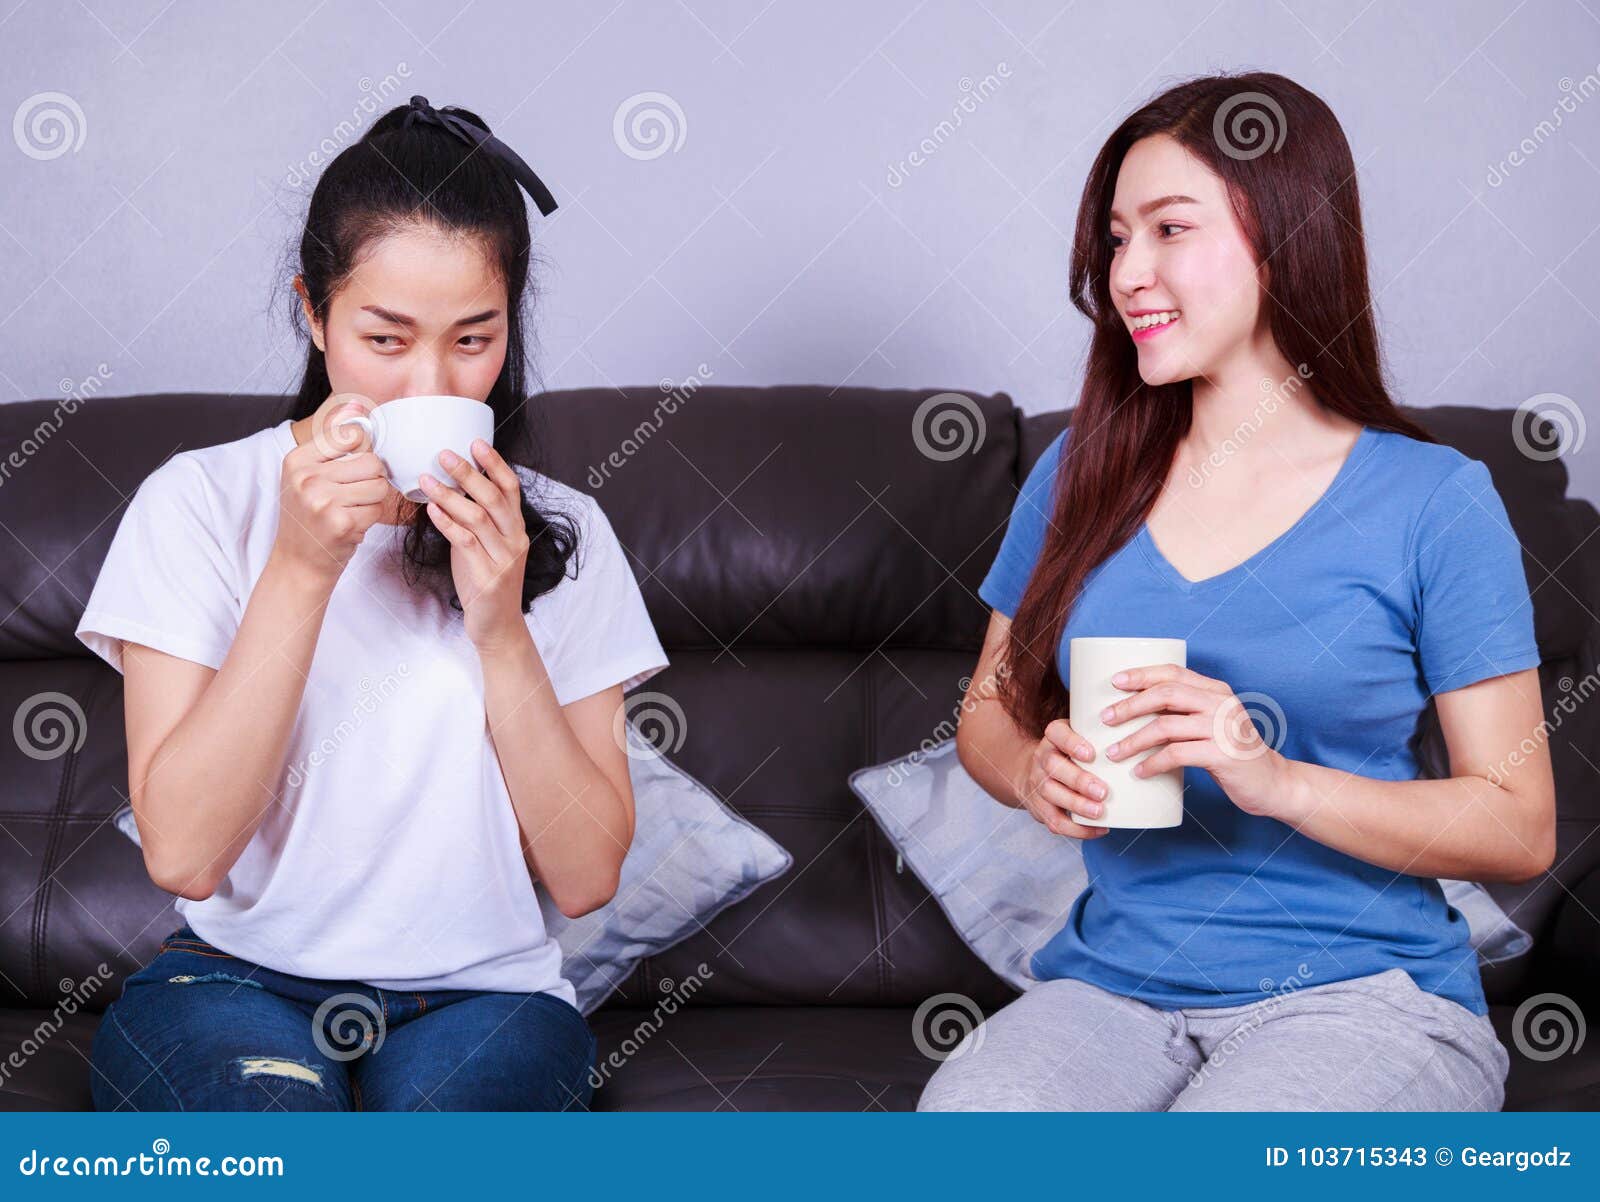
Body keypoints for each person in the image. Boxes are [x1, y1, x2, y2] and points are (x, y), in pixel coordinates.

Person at [918, 72, 1555, 1112]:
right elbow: (989, 709)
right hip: (1110, 992)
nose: (1129, 273)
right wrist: (1031, 767)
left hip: (1366, 997)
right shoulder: (1078, 471)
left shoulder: (1434, 499)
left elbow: (1518, 823)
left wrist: (1273, 779)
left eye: (1169, 228)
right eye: (1116, 239)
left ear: (1286, 237)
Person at [77, 97, 667, 1111]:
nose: (427, 383)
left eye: (473, 339)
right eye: (385, 338)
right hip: (233, 981)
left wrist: (499, 626)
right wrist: (301, 570)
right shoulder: (200, 501)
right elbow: (182, 849)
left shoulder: (562, 530)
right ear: (314, 312)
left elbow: (584, 876)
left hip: (487, 998)